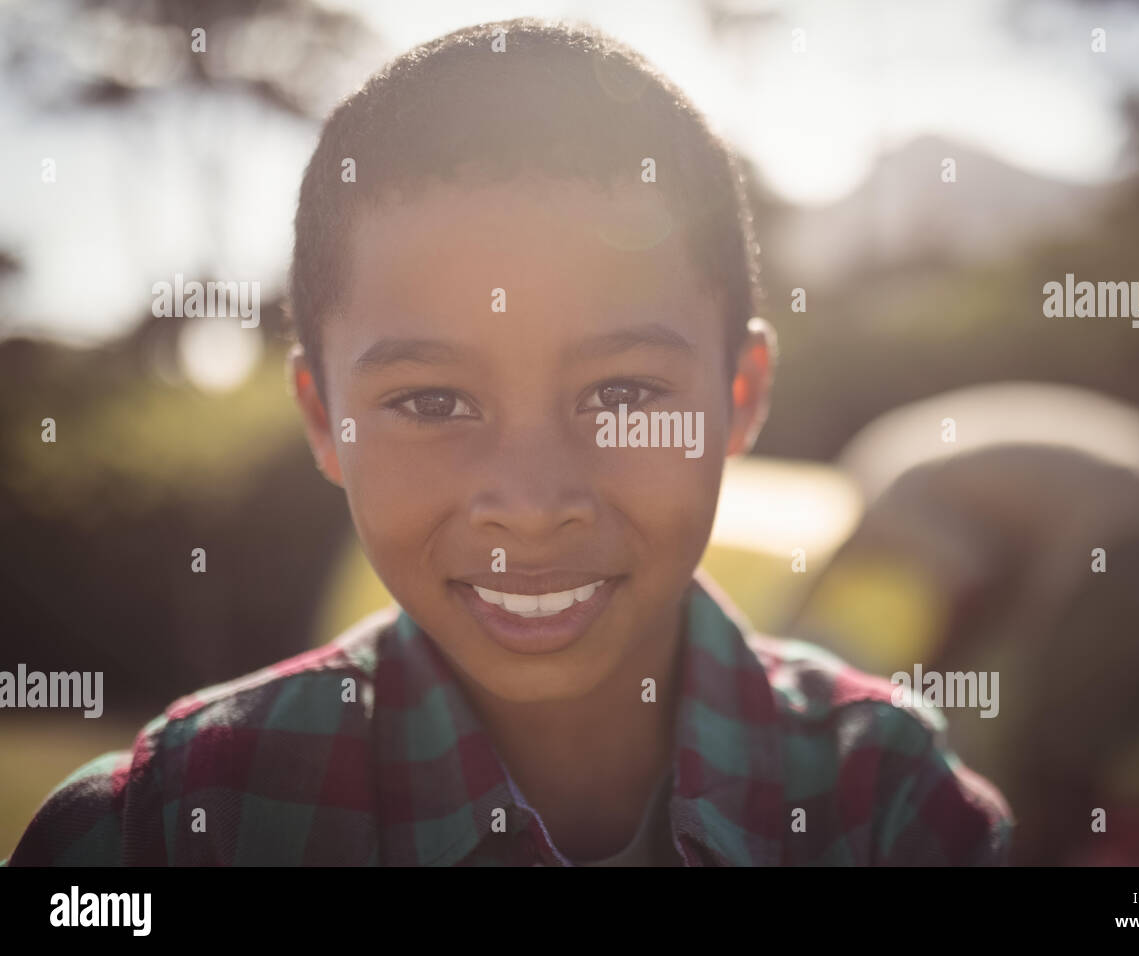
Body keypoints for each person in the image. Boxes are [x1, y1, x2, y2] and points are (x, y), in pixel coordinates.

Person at [5, 18, 1011, 866]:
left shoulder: (891, 806)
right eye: (433, 402)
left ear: (739, 396)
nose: (530, 502)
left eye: (621, 392)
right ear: (323, 417)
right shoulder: (175, 826)